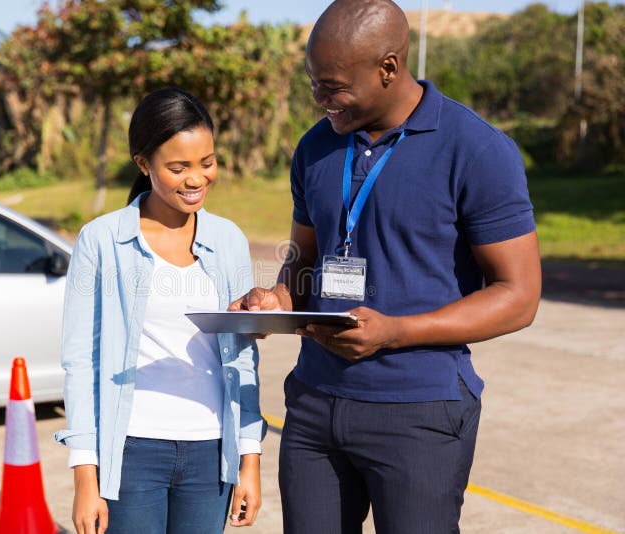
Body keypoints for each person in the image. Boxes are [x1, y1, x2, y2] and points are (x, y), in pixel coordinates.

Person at [229, 0, 542, 532]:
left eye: (332, 86)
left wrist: (396, 332)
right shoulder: (315, 147)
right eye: (313, 84)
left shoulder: (477, 149)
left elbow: (519, 297)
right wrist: (277, 300)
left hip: (418, 412)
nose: (319, 99)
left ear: (388, 68)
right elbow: (303, 260)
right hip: (314, 405)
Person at [55, 88, 266, 534]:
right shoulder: (101, 240)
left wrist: (249, 459)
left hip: (211, 452)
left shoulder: (228, 240)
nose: (197, 179)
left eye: (207, 162)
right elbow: (81, 362)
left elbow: (244, 356)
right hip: (131, 450)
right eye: (178, 167)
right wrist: (85, 477)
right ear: (143, 163)